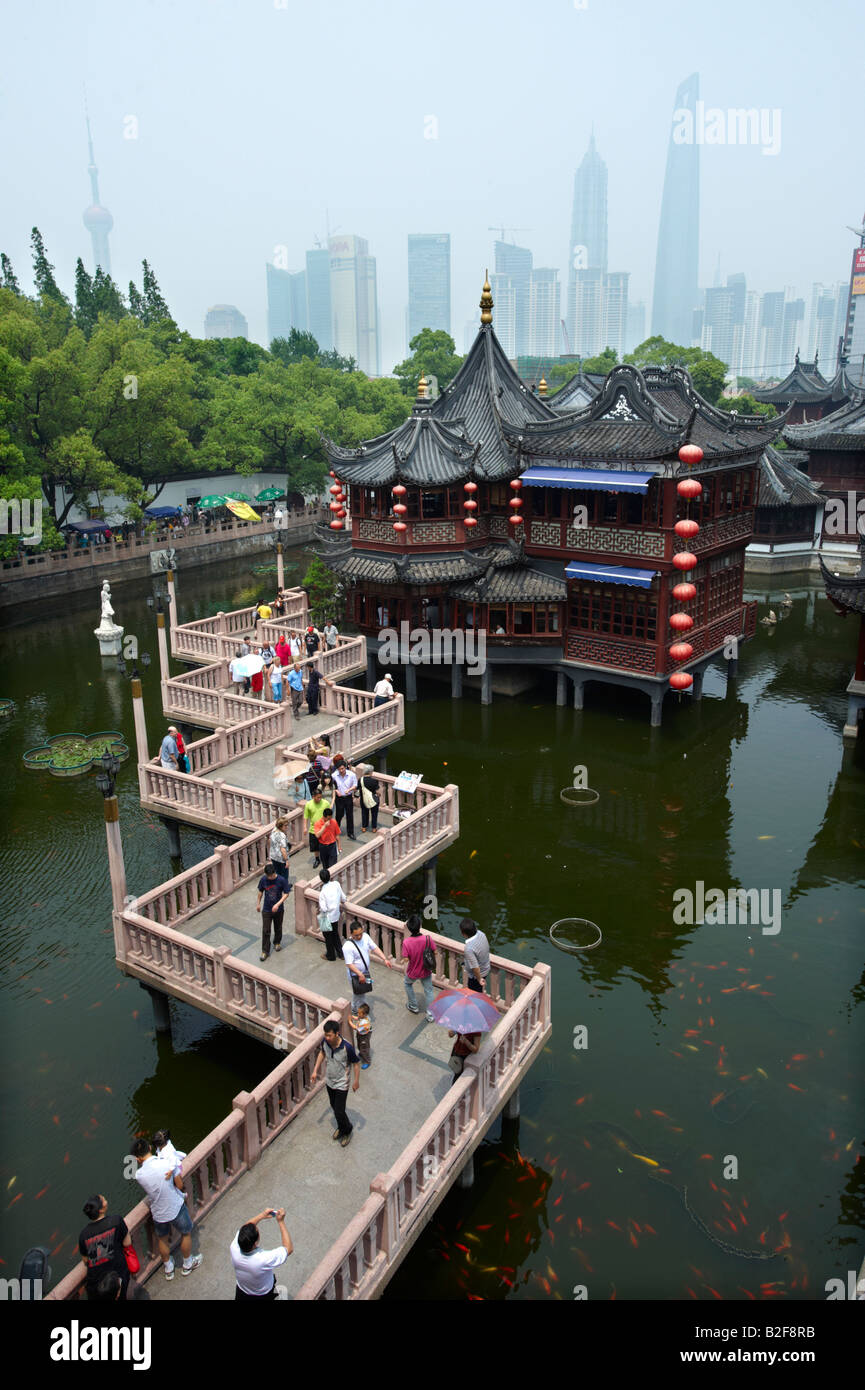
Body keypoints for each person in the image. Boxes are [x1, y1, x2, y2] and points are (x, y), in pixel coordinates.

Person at [131, 1137, 202, 1281]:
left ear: (138, 1159)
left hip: (158, 1213)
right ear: (150, 1148)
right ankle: (188, 1263)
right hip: (175, 1206)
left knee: (162, 1240)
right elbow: (179, 1184)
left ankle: (168, 1268)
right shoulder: (166, 1163)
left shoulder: (139, 1175)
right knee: (186, 1233)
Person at [310, 1017, 360, 1148]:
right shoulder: (325, 1042)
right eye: (325, 1035)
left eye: (329, 1035)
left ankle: (347, 1130)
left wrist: (356, 1081)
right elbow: (322, 1053)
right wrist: (315, 1070)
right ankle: (341, 1127)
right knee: (333, 1106)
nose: (327, 1037)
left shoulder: (347, 1047)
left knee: (339, 1110)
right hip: (330, 1080)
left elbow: (356, 1063)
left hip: (342, 1083)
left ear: (337, 1033)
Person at [78, 1193, 133, 1300]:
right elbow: (127, 1243)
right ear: (101, 1210)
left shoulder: (83, 1234)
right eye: (104, 1200)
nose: (106, 1200)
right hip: (117, 1278)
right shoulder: (116, 1221)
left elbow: (86, 1261)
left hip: (95, 1284)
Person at [230, 1208, 292, 1300]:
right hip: (262, 1294)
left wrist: (262, 1215)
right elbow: (288, 1248)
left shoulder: (234, 1247)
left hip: (242, 1290)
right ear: (255, 1243)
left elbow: (245, 1228)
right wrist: (281, 1222)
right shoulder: (263, 1259)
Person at [342, 918, 394, 1018]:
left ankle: (353, 1008)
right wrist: (360, 974)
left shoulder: (365, 937)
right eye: (356, 935)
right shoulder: (347, 946)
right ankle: (362, 1013)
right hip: (356, 974)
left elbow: (374, 947)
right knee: (361, 995)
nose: (359, 936)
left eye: (361, 933)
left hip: (364, 972)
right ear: (351, 934)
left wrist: (384, 959)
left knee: (358, 992)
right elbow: (349, 964)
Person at [401, 913, 436, 1021]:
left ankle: (413, 1006)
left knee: (407, 984)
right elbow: (435, 952)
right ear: (420, 925)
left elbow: (406, 959)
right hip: (426, 970)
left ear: (409, 928)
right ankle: (430, 1015)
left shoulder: (406, 942)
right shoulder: (428, 939)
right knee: (429, 991)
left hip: (413, 971)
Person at [256, 861, 291, 961]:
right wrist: (258, 903)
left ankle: (277, 942)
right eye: (268, 876)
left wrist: (278, 904)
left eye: (270, 876)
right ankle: (265, 951)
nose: (269, 878)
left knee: (278, 927)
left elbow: (286, 893)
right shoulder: (263, 879)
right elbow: (260, 892)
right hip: (267, 908)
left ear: (273, 873)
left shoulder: (281, 880)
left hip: (278, 909)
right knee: (266, 930)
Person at [317, 867, 346, 961]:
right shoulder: (336, 884)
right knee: (335, 935)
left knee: (328, 937)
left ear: (321, 879)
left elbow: (324, 908)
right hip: (336, 915)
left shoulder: (322, 892)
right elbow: (343, 898)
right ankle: (341, 954)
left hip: (327, 917)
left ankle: (331, 955)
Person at [459, 917, 490, 993]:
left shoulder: (469, 948)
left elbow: (475, 968)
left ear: (463, 934)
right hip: (486, 967)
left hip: (476, 976)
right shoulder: (481, 934)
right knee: (477, 993)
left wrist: (479, 979)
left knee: (473, 994)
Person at [304, 787, 331, 868]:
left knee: (325, 845)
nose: (319, 799)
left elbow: (329, 814)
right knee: (315, 847)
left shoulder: (326, 803)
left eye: (320, 797)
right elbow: (305, 816)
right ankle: (317, 859)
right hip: (313, 830)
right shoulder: (308, 804)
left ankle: (326, 858)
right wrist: (305, 827)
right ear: (313, 797)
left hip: (324, 829)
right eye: (318, 797)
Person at [332, 760, 358, 841]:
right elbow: (331, 785)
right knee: (338, 815)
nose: (341, 771)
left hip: (348, 797)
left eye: (342, 769)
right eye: (339, 769)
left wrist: (349, 790)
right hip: (339, 798)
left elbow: (355, 785)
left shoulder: (351, 775)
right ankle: (336, 831)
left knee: (350, 815)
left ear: (345, 767)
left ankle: (350, 832)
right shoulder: (334, 775)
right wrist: (336, 791)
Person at [312, 804, 341, 871]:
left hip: (332, 845)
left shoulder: (333, 822)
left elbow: (337, 835)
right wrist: (324, 826)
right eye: (328, 818)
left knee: (333, 866)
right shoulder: (318, 823)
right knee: (325, 865)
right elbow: (317, 835)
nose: (330, 820)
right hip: (323, 846)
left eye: (331, 818)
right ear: (324, 817)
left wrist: (339, 846)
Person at [350, 1001, 372, 1069]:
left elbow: (355, 1028)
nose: (358, 1014)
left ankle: (367, 1061)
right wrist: (352, 1017)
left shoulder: (365, 1023)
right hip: (361, 1034)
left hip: (364, 1036)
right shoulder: (363, 1017)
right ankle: (361, 1053)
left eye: (359, 1013)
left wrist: (349, 1021)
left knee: (364, 1048)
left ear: (365, 1014)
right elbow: (357, 1018)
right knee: (359, 1045)